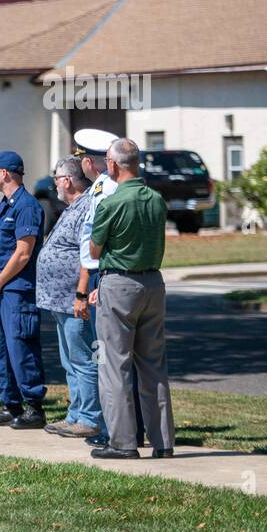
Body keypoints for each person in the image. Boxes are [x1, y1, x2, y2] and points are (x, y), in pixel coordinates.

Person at [90, 138, 176, 460]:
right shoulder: (156, 200)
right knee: (154, 366)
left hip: (119, 285)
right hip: (154, 282)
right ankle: (163, 442)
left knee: (114, 365)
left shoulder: (110, 203)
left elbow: (94, 250)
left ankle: (123, 442)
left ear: (113, 165)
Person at [35, 157, 102, 438]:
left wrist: (81, 293)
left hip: (74, 299)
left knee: (83, 358)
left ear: (68, 180)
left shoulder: (87, 205)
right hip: (59, 300)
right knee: (69, 359)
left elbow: (88, 256)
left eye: (57, 179)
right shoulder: (71, 207)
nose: (54, 185)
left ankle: (90, 418)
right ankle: (75, 413)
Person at [0, 150, 46, 429]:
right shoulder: (1, 206)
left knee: (21, 347)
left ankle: (33, 406)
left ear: (5, 173)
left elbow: (22, 254)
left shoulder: (26, 206)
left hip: (17, 290)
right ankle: (11, 404)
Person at [72, 128, 120, 449]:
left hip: (105, 281)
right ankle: (120, 426)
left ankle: (115, 428)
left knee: (107, 359)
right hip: (104, 281)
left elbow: (97, 245)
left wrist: (87, 286)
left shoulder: (105, 190)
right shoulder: (103, 187)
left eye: (82, 160)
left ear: (90, 162)